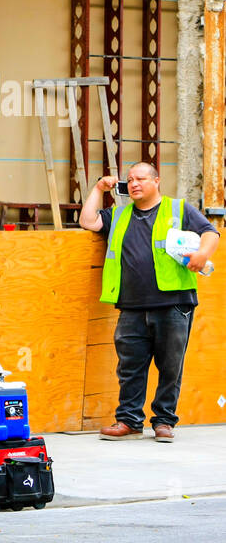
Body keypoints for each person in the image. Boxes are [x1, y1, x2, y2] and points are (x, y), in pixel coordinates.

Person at [79, 163, 219, 442]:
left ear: (156, 181)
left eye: (140, 179)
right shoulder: (118, 215)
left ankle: (164, 422)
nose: (134, 184)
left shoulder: (178, 210)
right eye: (130, 180)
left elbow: (210, 232)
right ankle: (129, 421)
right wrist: (97, 188)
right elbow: (88, 221)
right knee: (130, 366)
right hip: (131, 305)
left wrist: (203, 254)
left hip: (174, 303)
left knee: (170, 366)